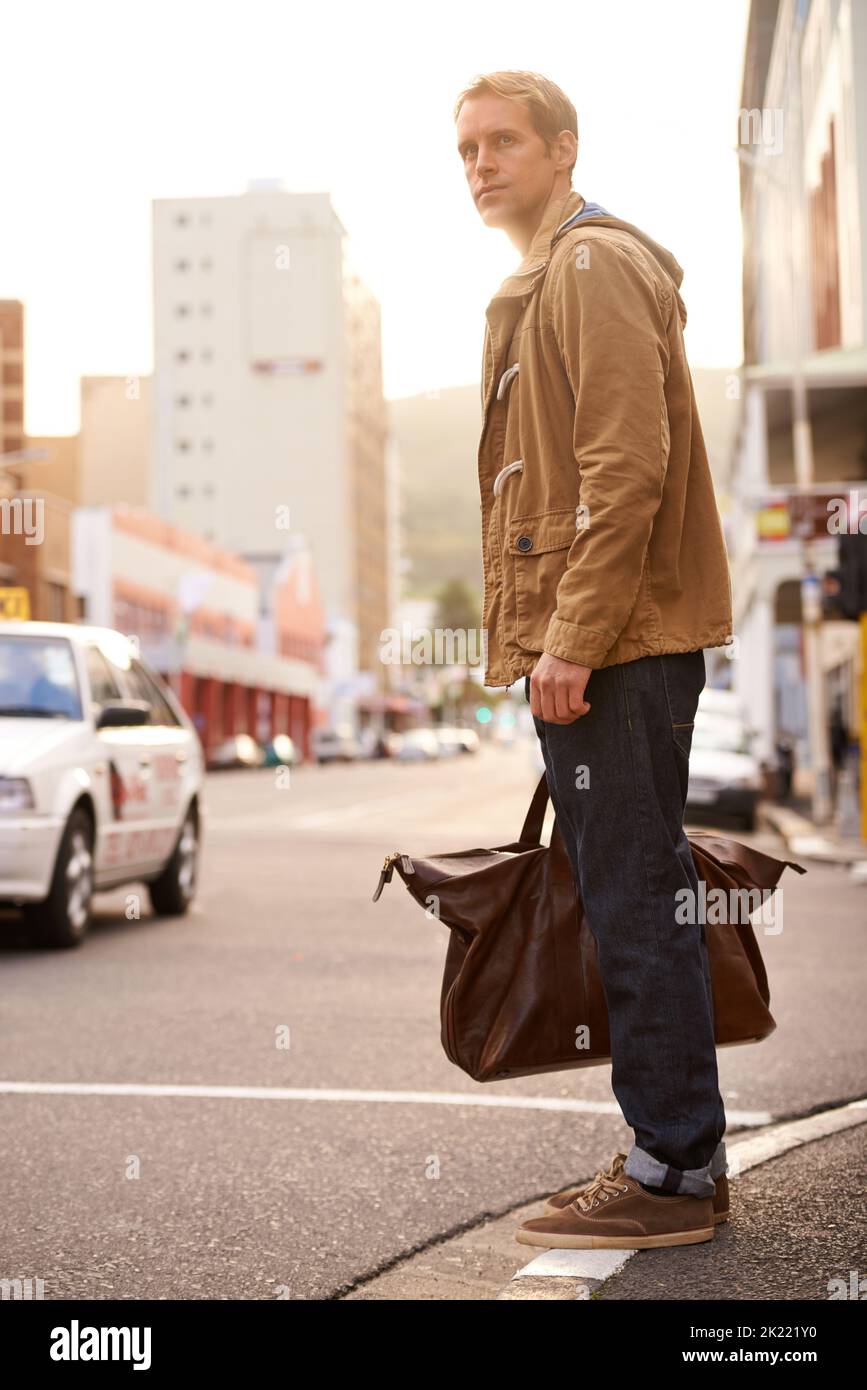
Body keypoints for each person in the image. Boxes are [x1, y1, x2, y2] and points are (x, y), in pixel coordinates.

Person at [455, 70, 734, 1250]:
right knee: (630, 890)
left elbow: (629, 468)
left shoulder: (591, 266)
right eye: (464, 147)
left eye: (503, 141)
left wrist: (569, 637)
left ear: (565, 149)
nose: (478, 163)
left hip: (614, 649)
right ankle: (670, 1149)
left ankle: (673, 1168)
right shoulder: (544, 277)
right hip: (598, 647)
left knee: (632, 895)